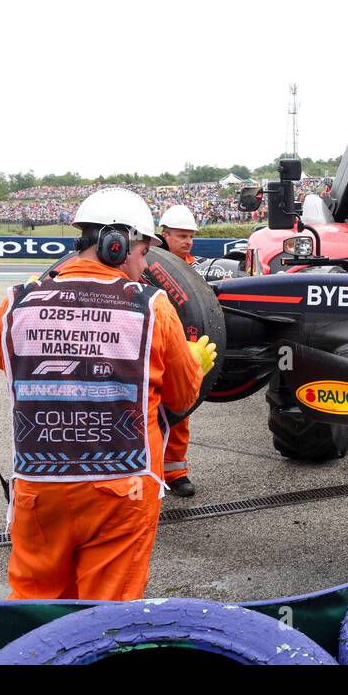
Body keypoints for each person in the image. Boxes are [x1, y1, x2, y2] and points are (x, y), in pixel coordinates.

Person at [0, 188, 212, 600]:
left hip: (39, 485)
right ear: (117, 244)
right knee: (106, 620)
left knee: (34, 613)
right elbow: (180, 397)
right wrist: (194, 361)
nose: (145, 266)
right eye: (143, 253)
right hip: (122, 490)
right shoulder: (153, 307)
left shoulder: (19, 300)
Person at [157, 204, 200, 497]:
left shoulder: (196, 268)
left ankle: (175, 473)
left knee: (179, 412)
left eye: (190, 236)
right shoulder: (145, 263)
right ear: (165, 235)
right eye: (181, 236)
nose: (187, 242)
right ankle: (149, 472)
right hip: (154, 346)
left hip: (182, 349)